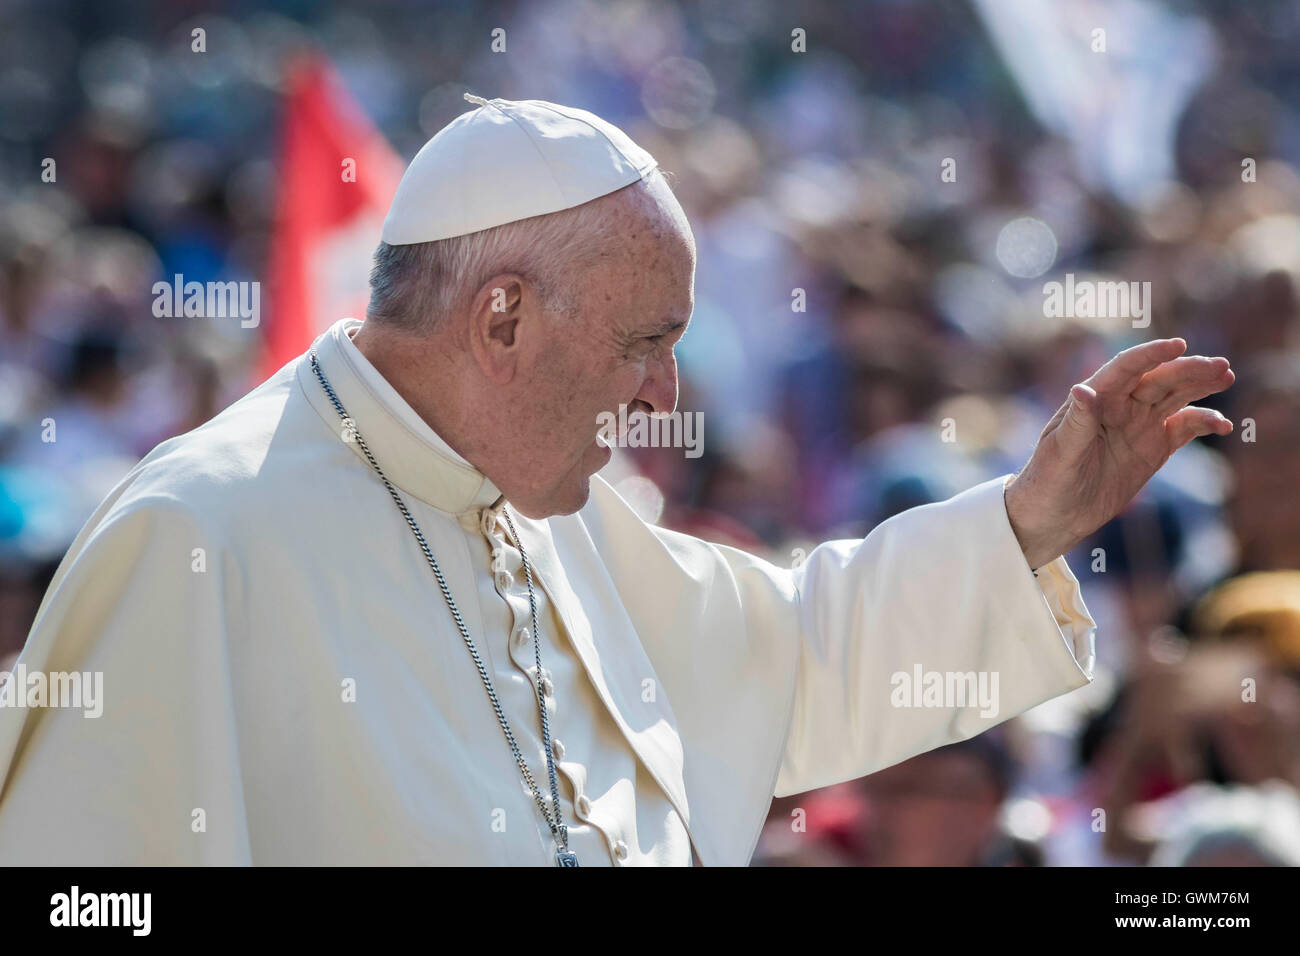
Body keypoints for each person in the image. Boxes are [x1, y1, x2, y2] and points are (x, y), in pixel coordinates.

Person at [0, 96, 1236, 865]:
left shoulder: (559, 503)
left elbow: (793, 654)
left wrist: (1032, 521)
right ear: (501, 318)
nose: (662, 396)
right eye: (643, 342)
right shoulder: (200, 533)